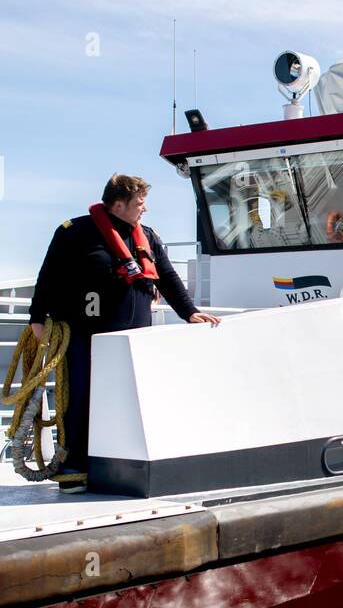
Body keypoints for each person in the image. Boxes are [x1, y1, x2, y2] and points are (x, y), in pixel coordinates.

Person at [29, 173, 221, 492]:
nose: (144, 210)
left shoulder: (147, 236)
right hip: (86, 336)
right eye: (139, 204)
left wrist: (189, 312)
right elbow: (49, 275)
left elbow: (168, 278)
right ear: (118, 205)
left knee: (130, 401)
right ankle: (74, 466)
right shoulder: (74, 233)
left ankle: (122, 466)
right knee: (80, 400)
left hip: (135, 339)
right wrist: (37, 316)